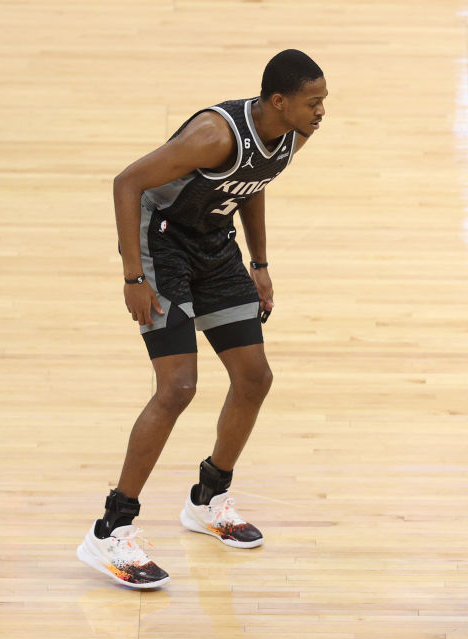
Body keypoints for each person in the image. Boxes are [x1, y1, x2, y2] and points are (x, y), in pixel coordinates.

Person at [76, 49, 328, 589]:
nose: (322, 110)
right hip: (160, 245)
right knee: (178, 387)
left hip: (213, 245)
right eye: (313, 101)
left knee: (255, 376)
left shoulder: (293, 134)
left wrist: (260, 265)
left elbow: (253, 186)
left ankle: (208, 500)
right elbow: (127, 182)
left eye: (324, 100)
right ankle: (109, 531)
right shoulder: (215, 136)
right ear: (278, 101)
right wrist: (132, 276)